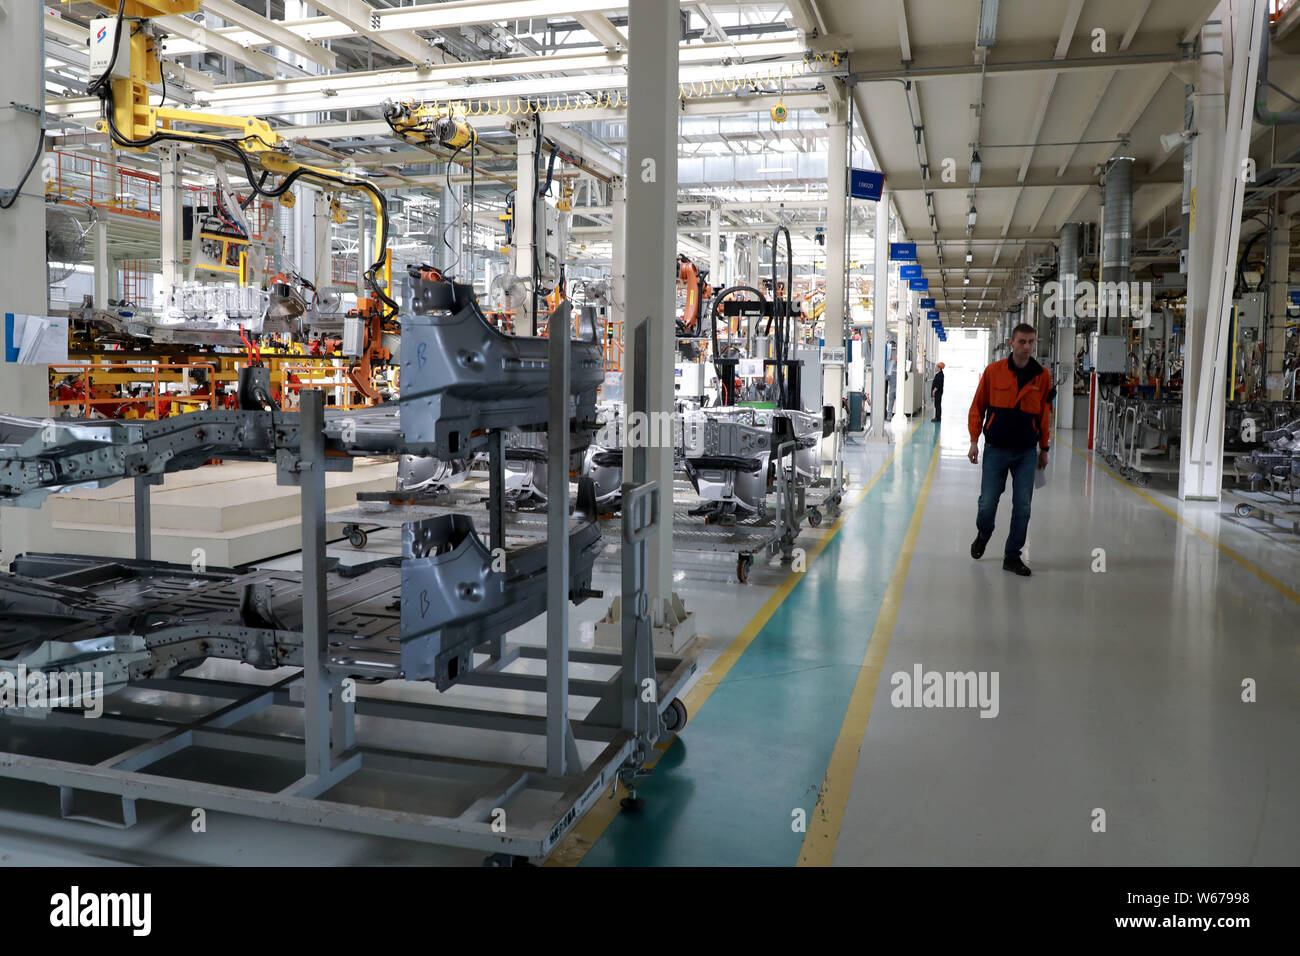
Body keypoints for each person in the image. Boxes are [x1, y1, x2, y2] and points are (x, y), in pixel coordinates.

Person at [967, 324, 1052, 576]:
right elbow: (977, 407)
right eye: (1022, 342)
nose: (1027, 347)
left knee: (1023, 506)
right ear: (1011, 342)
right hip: (996, 449)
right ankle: (984, 533)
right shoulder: (994, 372)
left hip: (1026, 452)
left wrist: (1044, 447)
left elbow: (1044, 414)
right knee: (987, 504)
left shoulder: (1042, 376)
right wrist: (974, 440)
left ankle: (1012, 556)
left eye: (1031, 342)